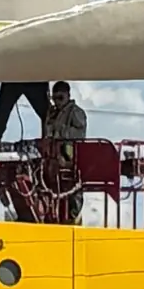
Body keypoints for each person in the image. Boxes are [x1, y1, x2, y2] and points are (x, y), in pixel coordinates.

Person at [44, 82, 88, 222]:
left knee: (72, 192)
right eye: (54, 98)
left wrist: (60, 132)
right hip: (52, 158)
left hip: (69, 158)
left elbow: (80, 134)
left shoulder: (76, 112)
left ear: (68, 95)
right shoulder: (52, 113)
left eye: (60, 98)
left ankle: (72, 216)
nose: (57, 102)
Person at [0, 82, 50, 147]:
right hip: (27, 80)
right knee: (47, 114)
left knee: (47, 115)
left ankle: (49, 139)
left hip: (24, 80)